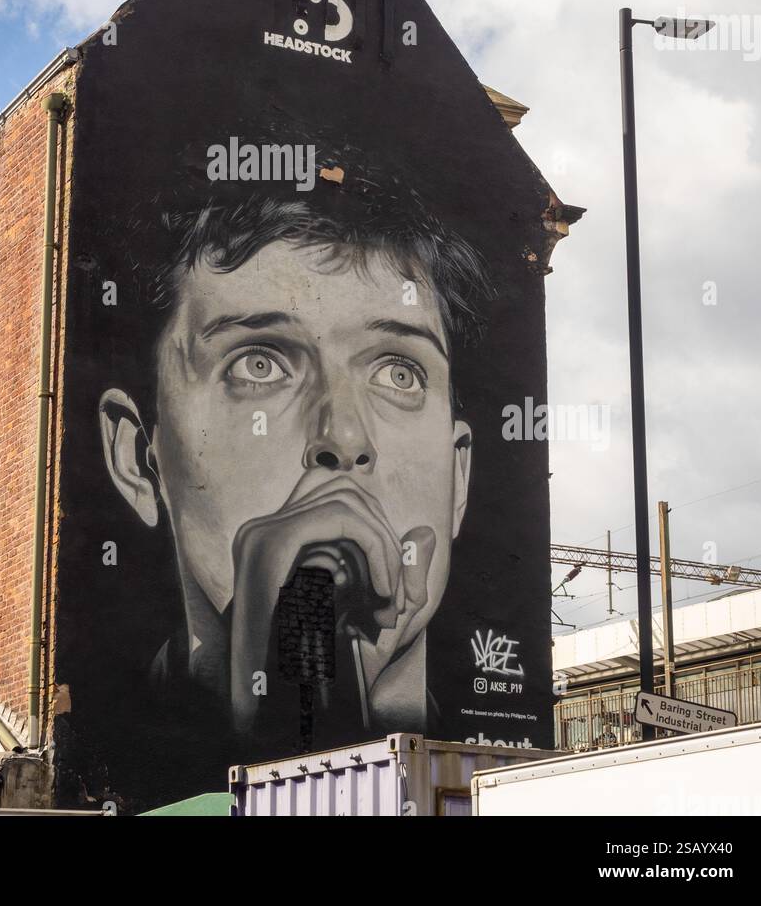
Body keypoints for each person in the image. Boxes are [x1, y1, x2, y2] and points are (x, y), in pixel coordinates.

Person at [95, 185, 492, 746]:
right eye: (258, 363)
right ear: (138, 459)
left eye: (399, 373)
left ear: (458, 481)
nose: (342, 439)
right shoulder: (110, 739)